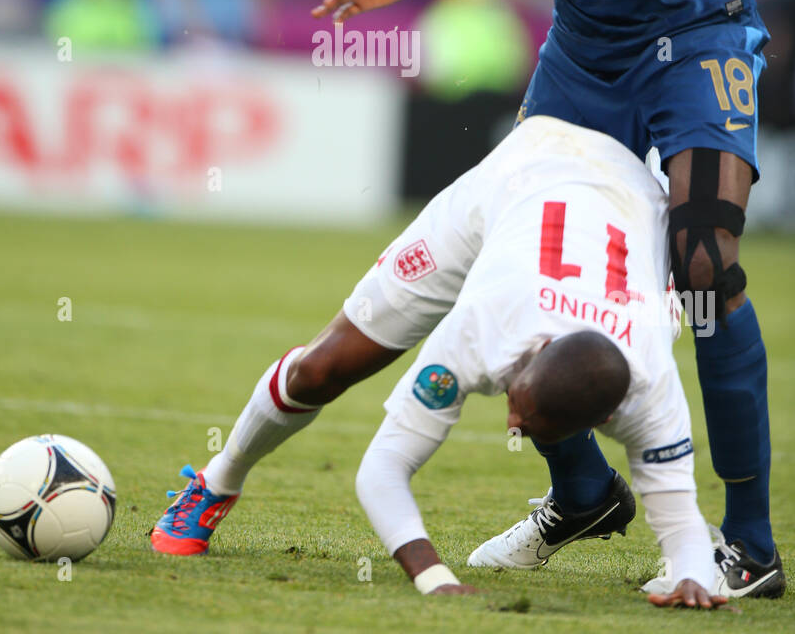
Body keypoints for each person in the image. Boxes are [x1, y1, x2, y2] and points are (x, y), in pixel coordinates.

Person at [310, 0, 783, 599]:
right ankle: (582, 493)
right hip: (587, 51)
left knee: (701, 262)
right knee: (522, 267)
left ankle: (750, 542)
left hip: (697, 30)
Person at [152, 115, 728, 608]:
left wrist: (695, 581)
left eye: (525, 422)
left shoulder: (651, 384)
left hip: (624, 197)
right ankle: (218, 479)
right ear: (534, 356)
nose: (509, 424)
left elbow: (679, 518)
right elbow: (380, 470)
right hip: (515, 178)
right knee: (324, 368)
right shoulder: (481, 326)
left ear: (609, 419)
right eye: (519, 406)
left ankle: (586, 495)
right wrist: (431, 574)